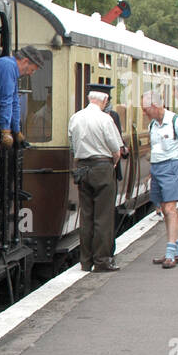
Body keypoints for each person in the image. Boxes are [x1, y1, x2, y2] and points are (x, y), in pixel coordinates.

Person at [67, 87, 123, 272]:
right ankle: (102, 260)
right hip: (102, 167)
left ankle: (86, 261)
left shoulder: (75, 117)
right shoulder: (105, 119)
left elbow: (72, 144)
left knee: (87, 215)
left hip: (82, 168)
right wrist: (113, 163)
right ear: (104, 100)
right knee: (103, 216)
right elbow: (116, 149)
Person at [143, 90, 178, 268]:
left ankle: (170, 253)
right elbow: (155, 149)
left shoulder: (176, 122)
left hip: (172, 166)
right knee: (163, 209)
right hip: (157, 168)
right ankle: (175, 251)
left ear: (155, 106)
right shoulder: (152, 126)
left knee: (171, 209)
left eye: (145, 108)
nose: (144, 112)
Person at [0, 45, 48, 149]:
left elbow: (14, 102)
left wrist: (16, 131)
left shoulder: (12, 69)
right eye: (32, 70)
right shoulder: (7, 66)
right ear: (25, 61)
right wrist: (5, 131)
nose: (30, 74)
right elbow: (5, 100)